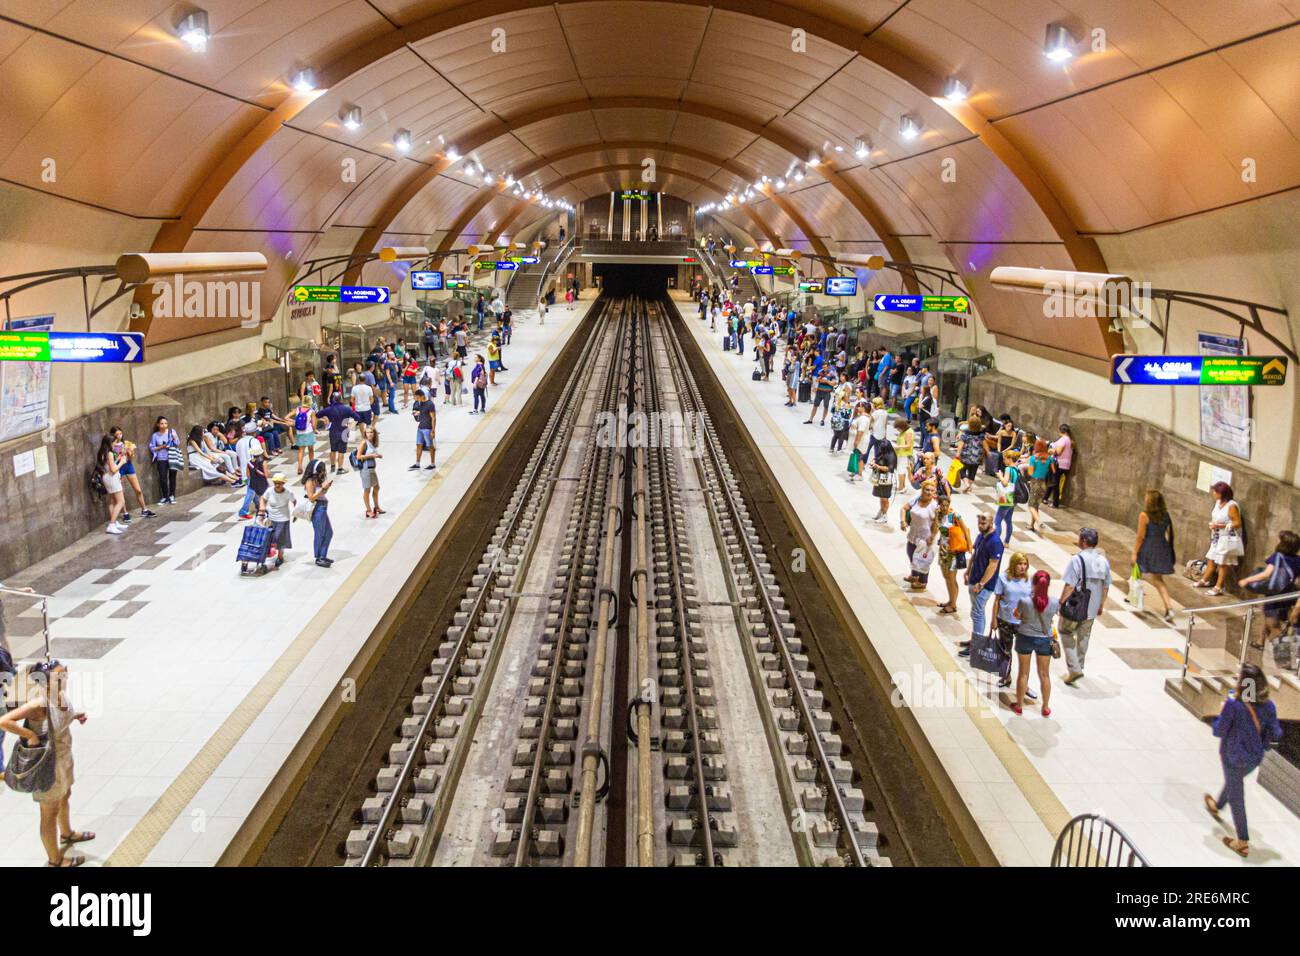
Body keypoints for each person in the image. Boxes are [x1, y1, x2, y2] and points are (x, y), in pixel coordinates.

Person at [0, 662, 91, 866]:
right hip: (47, 765)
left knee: (65, 795)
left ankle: (67, 833)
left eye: (65, 673)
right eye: (59, 676)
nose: (65, 678)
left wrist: (75, 716)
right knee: (49, 812)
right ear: (46, 682)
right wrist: (29, 734)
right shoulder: (38, 703)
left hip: (64, 757)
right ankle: (55, 860)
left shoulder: (59, 694)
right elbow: (4, 721)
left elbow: (58, 718)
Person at [1205, 663, 1283, 858]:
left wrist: (1220, 712)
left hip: (1232, 756)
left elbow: (1219, 730)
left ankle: (1242, 841)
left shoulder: (1233, 705)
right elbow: (1276, 732)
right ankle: (1217, 805)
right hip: (1254, 758)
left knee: (1236, 795)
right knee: (1234, 781)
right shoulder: (1269, 706)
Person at [1059, 527, 1112, 686]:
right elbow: (1106, 586)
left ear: (1083, 541)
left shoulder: (1077, 559)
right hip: (1092, 608)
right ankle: (1079, 666)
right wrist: (1101, 604)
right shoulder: (1103, 561)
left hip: (1076, 606)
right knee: (1084, 636)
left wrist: (1061, 602)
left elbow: (1070, 585)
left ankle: (1074, 669)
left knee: (1065, 631)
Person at [1240, 530, 1300, 651]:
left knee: (1273, 625)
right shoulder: (1298, 560)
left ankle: (1286, 657)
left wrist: (1247, 580)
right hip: (1288, 596)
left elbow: (1265, 575)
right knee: (1269, 618)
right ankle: (1260, 641)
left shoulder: (1277, 556)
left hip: (1274, 595)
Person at [1012, 570, 1058, 716]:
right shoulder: (1055, 602)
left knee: (1023, 673)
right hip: (1045, 639)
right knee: (1044, 674)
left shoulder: (1024, 601)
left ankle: (1019, 705)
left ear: (1033, 584)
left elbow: (1017, 615)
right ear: (1048, 585)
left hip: (1025, 637)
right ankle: (1045, 707)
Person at [961, 513, 1003, 657]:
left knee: (978, 613)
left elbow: (993, 565)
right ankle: (975, 639)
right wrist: (968, 571)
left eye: (983, 524)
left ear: (991, 523)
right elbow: (975, 554)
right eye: (979, 523)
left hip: (984, 585)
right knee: (975, 612)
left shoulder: (995, 542)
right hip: (974, 579)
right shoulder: (981, 536)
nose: (980, 526)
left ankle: (977, 646)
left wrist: (982, 583)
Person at [1132, 489, 1177, 622]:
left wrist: (1134, 552)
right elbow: (1169, 534)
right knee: (1158, 579)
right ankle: (1169, 607)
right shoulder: (1166, 515)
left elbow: (1140, 537)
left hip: (1148, 546)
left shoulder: (1144, 515)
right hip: (1162, 547)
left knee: (1136, 569)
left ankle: (1134, 596)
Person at [991, 552, 1032, 690]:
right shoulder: (1003, 578)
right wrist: (993, 620)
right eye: (1020, 564)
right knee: (1005, 651)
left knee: (1024, 655)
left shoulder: (1029, 580)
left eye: (1025, 564)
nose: (1023, 567)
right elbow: (996, 601)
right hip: (1005, 620)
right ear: (1013, 564)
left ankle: (1024, 683)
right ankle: (1006, 676)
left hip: (1023, 623)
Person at [1196, 481, 1243, 596]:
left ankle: (1219, 586)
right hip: (1216, 537)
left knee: (1222, 563)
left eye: (1215, 491)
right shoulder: (1218, 503)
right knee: (1211, 558)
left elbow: (1237, 523)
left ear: (1222, 494)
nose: (1213, 493)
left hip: (1226, 538)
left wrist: (1219, 526)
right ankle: (1205, 579)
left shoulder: (1231, 506)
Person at [106, 427, 156, 520]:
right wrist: (119, 452)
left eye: (120, 434)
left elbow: (131, 457)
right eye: (117, 435)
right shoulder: (111, 446)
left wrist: (129, 452)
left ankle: (144, 509)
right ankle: (125, 513)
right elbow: (112, 460)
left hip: (128, 466)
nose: (119, 436)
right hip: (118, 467)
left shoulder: (126, 443)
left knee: (138, 490)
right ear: (113, 435)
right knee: (120, 492)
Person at [901, 480, 939, 590]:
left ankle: (922, 581)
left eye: (932, 491)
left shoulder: (934, 506)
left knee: (922, 561)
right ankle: (914, 575)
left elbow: (936, 523)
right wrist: (903, 521)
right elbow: (904, 508)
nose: (929, 492)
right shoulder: (916, 499)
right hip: (913, 534)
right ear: (922, 490)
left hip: (925, 538)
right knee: (911, 555)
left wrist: (932, 537)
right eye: (927, 490)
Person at [936, 496, 970, 615]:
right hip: (943, 550)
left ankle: (953, 604)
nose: (945, 507)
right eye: (942, 505)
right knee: (946, 576)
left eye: (947, 505)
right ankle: (950, 600)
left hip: (953, 551)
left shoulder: (955, 515)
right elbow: (938, 529)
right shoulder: (938, 514)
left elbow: (966, 530)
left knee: (951, 577)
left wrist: (969, 547)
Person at [303, 459, 334, 568]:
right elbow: (311, 498)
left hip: (323, 507)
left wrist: (326, 488)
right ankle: (319, 558)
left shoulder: (317, 480)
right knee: (319, 533)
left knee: (329, 532)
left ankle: (323, 555)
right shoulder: (309, 481)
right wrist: (322, 488)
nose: (323, 472)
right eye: (321, 470)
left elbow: (321, 494)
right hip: (317, 509)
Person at [96, 435, 128, 534]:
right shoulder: (109, 453)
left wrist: (117, 459)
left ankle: (114, 522)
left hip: (106, 477)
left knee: (112, 501)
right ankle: (112, 524)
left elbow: (109, 465)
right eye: (114, 442)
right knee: (121, 501)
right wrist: (122, 462)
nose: (115, 444)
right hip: (112, 478)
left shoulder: (102, 452)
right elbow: (113, 470)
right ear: (109, 443)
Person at [147, 416, 180, 505]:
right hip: (161, 459)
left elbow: (177, 443)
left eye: (165, 423)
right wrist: (162, 447)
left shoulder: (172, 432)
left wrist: (175, 438)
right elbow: (152, 447)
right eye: (161, 423)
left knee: (172, 477)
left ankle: (172, 495)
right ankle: (165, 496)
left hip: (172, 457)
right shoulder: (155, 435)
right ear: (158, 424)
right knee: (162, 478)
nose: (164, 425)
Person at [264, 473, 294, 568]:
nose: (277, 485)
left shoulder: (288, 492)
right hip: (271, 518)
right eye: (276, 483)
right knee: (271, 537)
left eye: (280, 483)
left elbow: (294, 501)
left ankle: (280, 557)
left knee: (280, 537)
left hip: (283, 518)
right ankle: (270, 552)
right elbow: (263, 499)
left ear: (283, 483)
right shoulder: (269, 491)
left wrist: (296, 513)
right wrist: (262, 508)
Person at [318, 396, 354, 475]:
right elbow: (357, 417)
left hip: (333, 432)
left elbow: (317, 415)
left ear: (333, 400)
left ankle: (333, 466)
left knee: (333, 450)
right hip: (344, 432)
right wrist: (351, 425)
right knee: (341, 451)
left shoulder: (329, 409)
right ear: (341, 399)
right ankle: (340, 469)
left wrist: (326, 419)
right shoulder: (347, 409)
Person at [1024, 439, 1052, 533]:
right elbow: (1053, 471)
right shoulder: (1049, 458)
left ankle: (1039, 522)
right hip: (1044, 484)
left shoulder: (1033, 458)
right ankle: (1031, 525)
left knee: (1031, 505)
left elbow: (1030, 472)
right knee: (1036, 505)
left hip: (1035, 483)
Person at [357, 424, 384, 519]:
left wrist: (377, 455)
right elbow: (359, 456)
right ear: (365, 433)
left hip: (372, 469)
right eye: (367, 432)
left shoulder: (372, 442)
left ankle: (376, 507)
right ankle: (368, 510)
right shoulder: (364, 442)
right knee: (367, 489)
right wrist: (372, 456)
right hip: (365, 469)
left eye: (371, 432)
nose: (369, 434)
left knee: (376, 487)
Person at [868, 435, 896, 522]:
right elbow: (875, 458)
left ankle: (885, 516)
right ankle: (881, 511)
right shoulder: (882, 452)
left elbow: (889, 469)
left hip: (886, 480)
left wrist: (878, 466)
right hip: (879, 478)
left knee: (885, 498)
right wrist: (872, 462)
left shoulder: (891, 456)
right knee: (881, 496)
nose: (881, 449)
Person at [993, 451, 1020, 544]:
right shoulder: (1017, 469)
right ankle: (1007, 542)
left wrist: (1000, 476)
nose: (1004, 461)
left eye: (1005, 459)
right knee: (1008, 520)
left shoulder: (1008, 469)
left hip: (1007, 496)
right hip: (1015, 497)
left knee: (997, 520)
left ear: (1009, 459)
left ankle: (995, 542)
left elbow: (1005, 483)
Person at [1047, 424, 1074, 507]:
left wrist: (1051, 450)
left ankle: (1055, 504)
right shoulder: (1070, 440)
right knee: (1057, 483)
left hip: (1059, 464)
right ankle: (1048, 499)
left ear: (1060, 431)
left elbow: (1058, 452)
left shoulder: (1063, 439)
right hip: (1067, 465)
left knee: (1055, 484)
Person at [411, 389, 438, 471]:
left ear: (422, 396)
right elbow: (423, 412)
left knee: (430, 446)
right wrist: (417, 413)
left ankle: (432, 464)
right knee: (418, 445)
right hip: (420, 428)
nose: (416, 399)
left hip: (427, 428)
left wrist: (433, 430)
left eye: (417, 397)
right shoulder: (420, 403)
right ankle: (417, 464)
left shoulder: (430, 404)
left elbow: (433, 418)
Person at [894, 418, 915, 493]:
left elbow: (908, 445)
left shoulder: (908, 433)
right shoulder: (904, 431)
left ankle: (901, 488)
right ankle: (902, 486)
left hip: (904, 455)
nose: (898, 430)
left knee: (901, 471)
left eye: (898, 428)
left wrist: (897, 447)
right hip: (901, 454)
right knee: (901, 471)